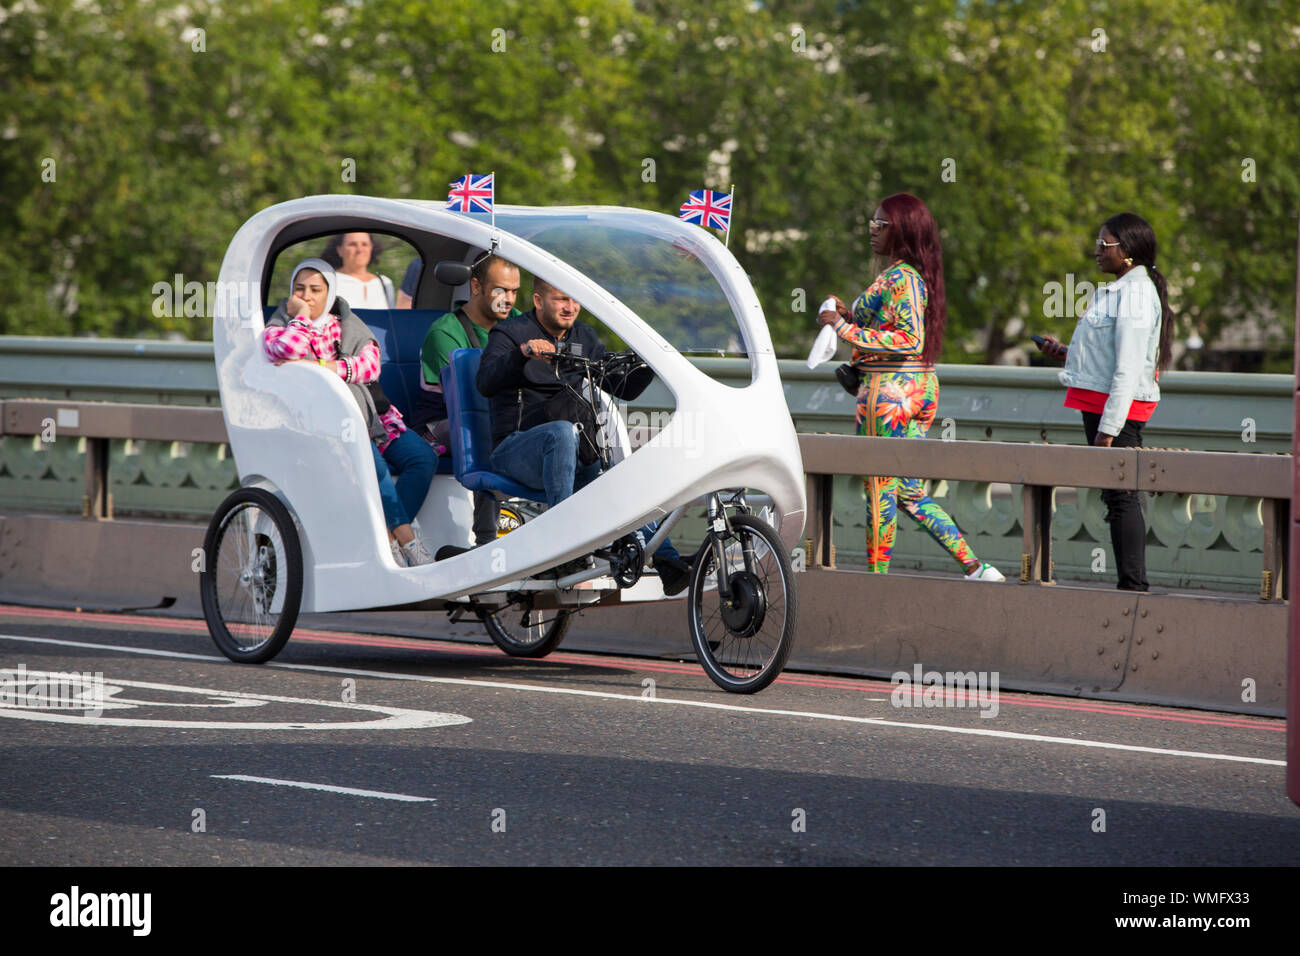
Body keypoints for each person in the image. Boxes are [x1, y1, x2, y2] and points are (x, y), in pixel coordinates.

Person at [818, 193, 1004, 581]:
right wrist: (847, 313)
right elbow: (893, 333)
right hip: (917, 387)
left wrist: (840, 326)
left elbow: (907, 339)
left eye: (879, 225)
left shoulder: (901, 278)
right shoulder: (911, 276)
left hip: (890, 391)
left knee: (879, 488)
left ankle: (877, 581)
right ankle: (976, 568)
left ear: (900, 231)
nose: (872, 231)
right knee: (908, 493)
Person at [476, 276, 693, 594]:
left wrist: (650, 359)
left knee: (620, 482)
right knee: (561, 433)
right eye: (561, 299)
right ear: (538, 301)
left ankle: (669, 563)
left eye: (574, 299)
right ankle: (561, 545)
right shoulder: (511, 333)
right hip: (515, 450)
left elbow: (623, 388)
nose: (570, 307)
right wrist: (521, 354)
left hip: (574, 458)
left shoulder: (584, 337)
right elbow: (485, 382)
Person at [262, 258, 437, 567]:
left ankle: (386, 538)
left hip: (373, 416)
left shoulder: (347, 323)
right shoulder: (280, 325)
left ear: (329, 293)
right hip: (324, 423)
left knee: (423, 457)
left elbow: (369, 367)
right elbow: (286, 351)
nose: (307, 295)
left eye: (316, 290)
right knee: (374, 463)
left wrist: (320, 367)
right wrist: (300, 317)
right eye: (300, 289)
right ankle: (409, 542)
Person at [1034, 212, 1170, 591]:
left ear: (1127, 252)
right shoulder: (1121, 289)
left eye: (1104, 244)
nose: (1096, 250)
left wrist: (1109, 430)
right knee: (1116, 495)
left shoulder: (1137, 295)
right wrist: (1065, 353)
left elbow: (1127, 368)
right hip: (1101, 402)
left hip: (1116, 410)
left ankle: (1133, 587)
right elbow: (1108, 356)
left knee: (1122, 496)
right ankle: (1130, 583)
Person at [411, 252, 523, 545]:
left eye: (514, 291)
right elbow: (469, 399)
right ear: (476, 287)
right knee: (488, 428)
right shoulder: (445, 333)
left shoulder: (518, 323)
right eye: (501, 290)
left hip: (503, 411)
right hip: (443, 422)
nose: (509, 299)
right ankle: (488, 539)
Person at [323, 233, 394, 309]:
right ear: (340, 250)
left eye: (364, 244)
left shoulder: (385, 283)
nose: (359, 250)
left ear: (371, 248)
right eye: (353, 244)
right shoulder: (329, 281)